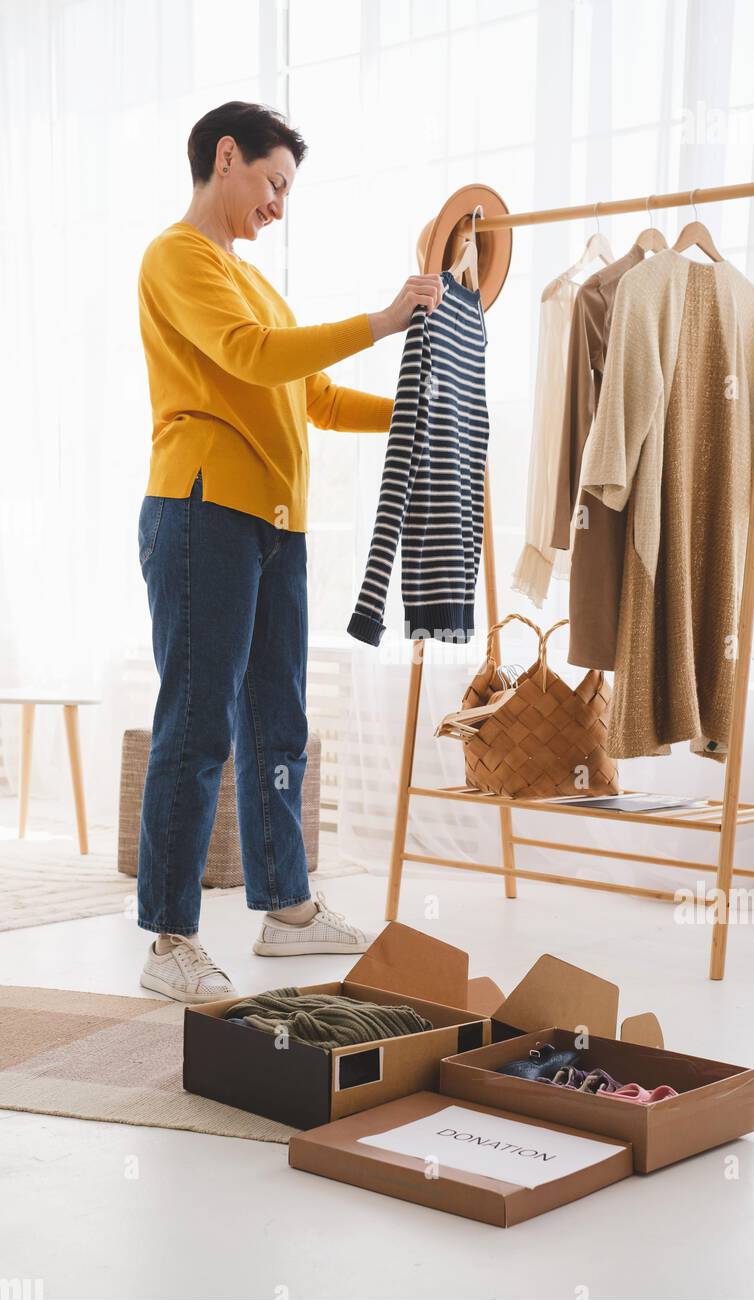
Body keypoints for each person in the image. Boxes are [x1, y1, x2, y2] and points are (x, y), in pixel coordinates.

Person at [135, 101, 444, 1003]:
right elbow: (251, 356)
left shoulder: (258, 281)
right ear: (225, 158)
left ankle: (288, 912)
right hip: (201, 513)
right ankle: (170, 942)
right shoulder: (177, 258)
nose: (280, 206)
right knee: (196, 725)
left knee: (278, 720)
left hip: (275, 523)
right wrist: (384, 319)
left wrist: (415, 416)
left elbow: (314, 395)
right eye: (274, 184)